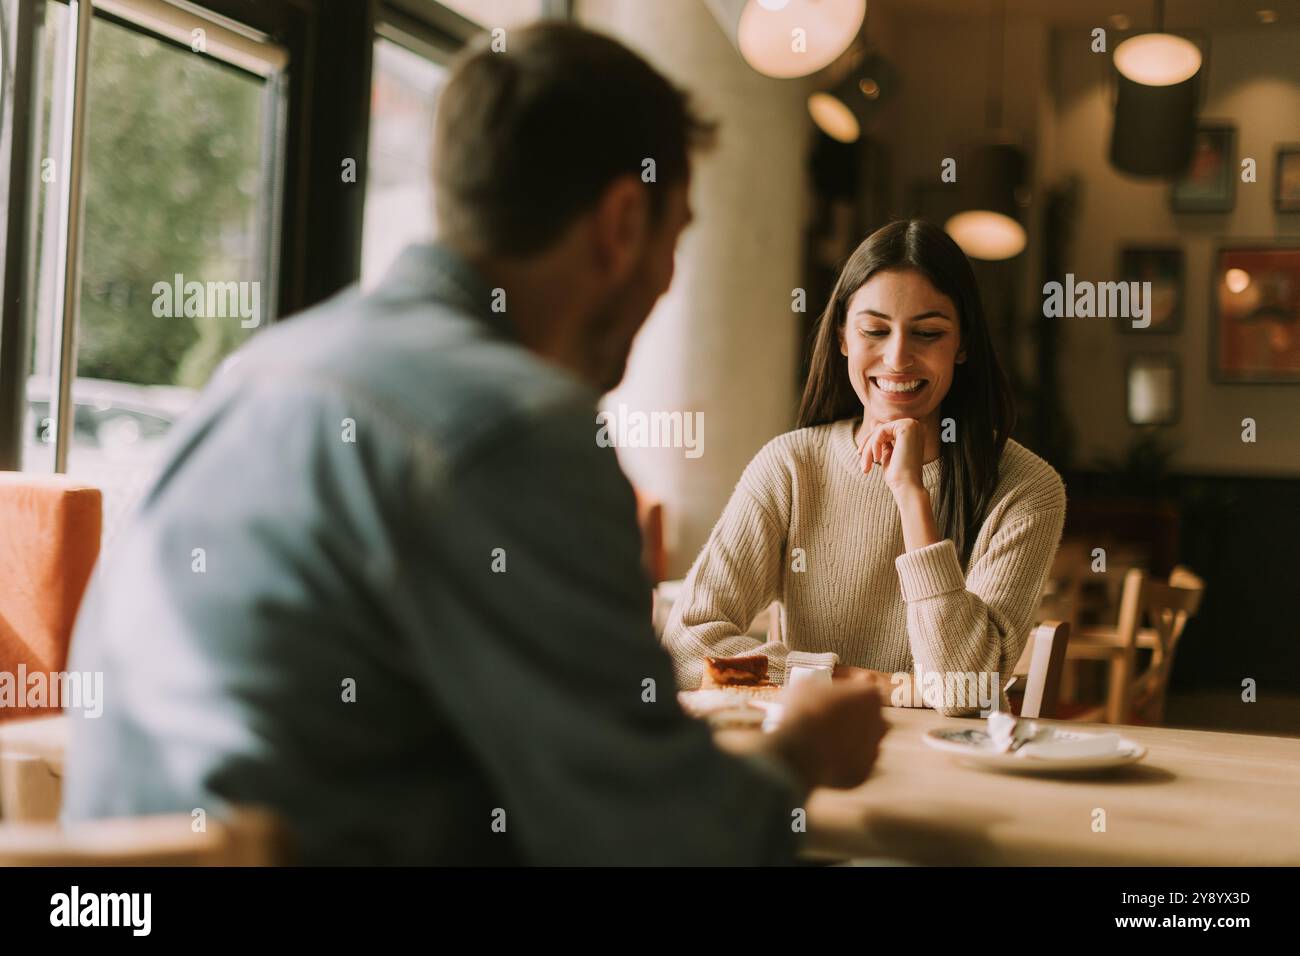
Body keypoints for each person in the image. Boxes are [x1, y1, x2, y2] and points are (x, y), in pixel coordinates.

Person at [61, 22, 886, 865]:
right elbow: (666, 842)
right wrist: (803, 751)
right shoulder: (519, 429)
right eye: (676, 235)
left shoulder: (262, 369)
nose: (669, 279)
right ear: (623, 223)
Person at [663, 219, 1067, 716]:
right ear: (842, 338)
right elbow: (685, 649)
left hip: (947, 760)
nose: (897, 358)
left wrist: (912, 496)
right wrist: (864, 683)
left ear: (962, 344)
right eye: (875, 330)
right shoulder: (791, 466)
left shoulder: (1026, 488)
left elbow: (964, 691)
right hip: (815, 754)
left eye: (928, 333)